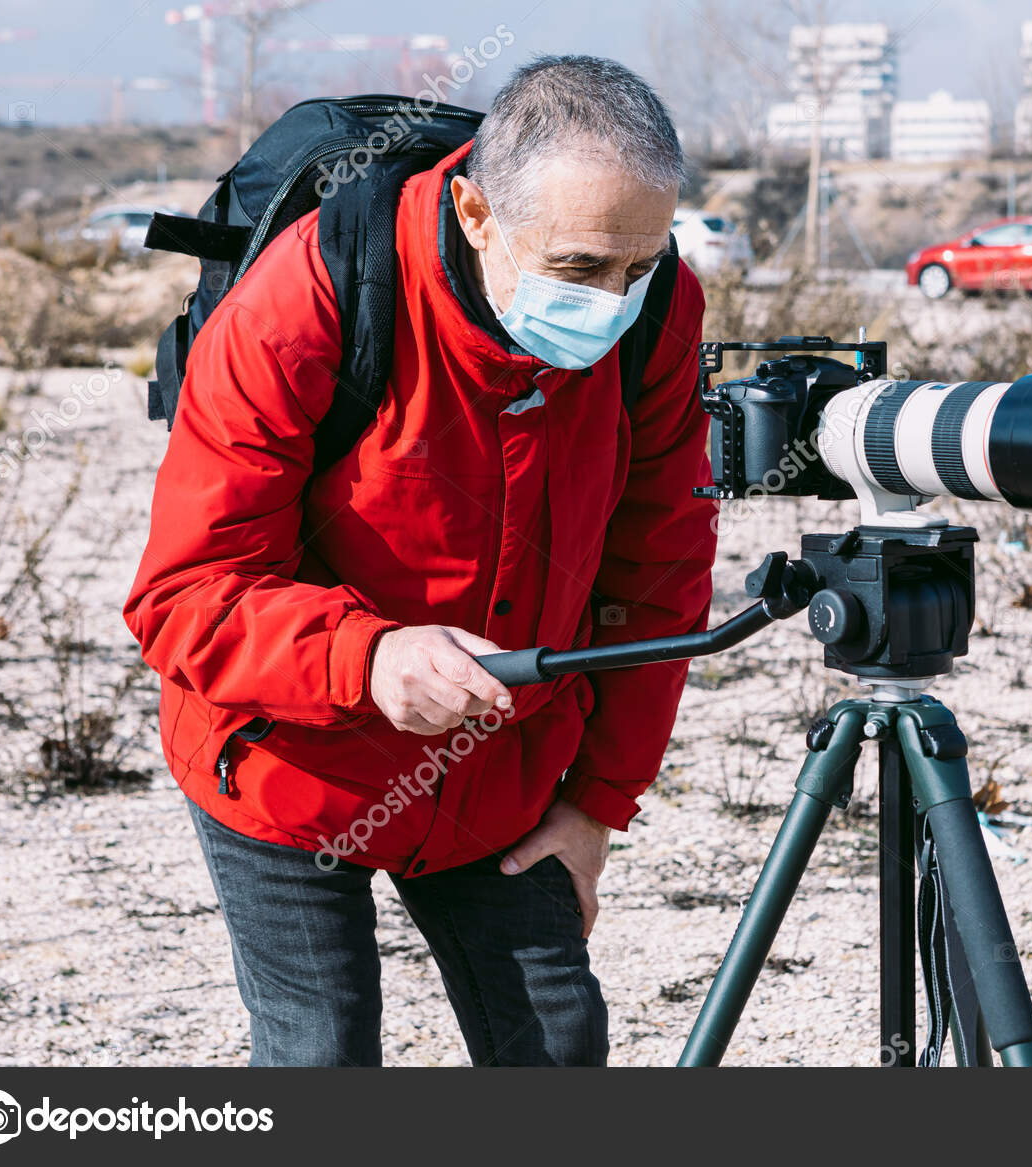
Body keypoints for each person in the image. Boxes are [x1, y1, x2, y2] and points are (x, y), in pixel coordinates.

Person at [124, 55, 716, 1067]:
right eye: (578, 269)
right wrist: (368, 660)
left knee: (557, 1046)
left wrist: (596, 809)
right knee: (320, 1053)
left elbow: (658, 572)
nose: (613, 301)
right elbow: (184, 596)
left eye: (640, 263)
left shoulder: (655, 313)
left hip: (501, 771)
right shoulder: (305, 301)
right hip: (282, 760)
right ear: (478, 214)